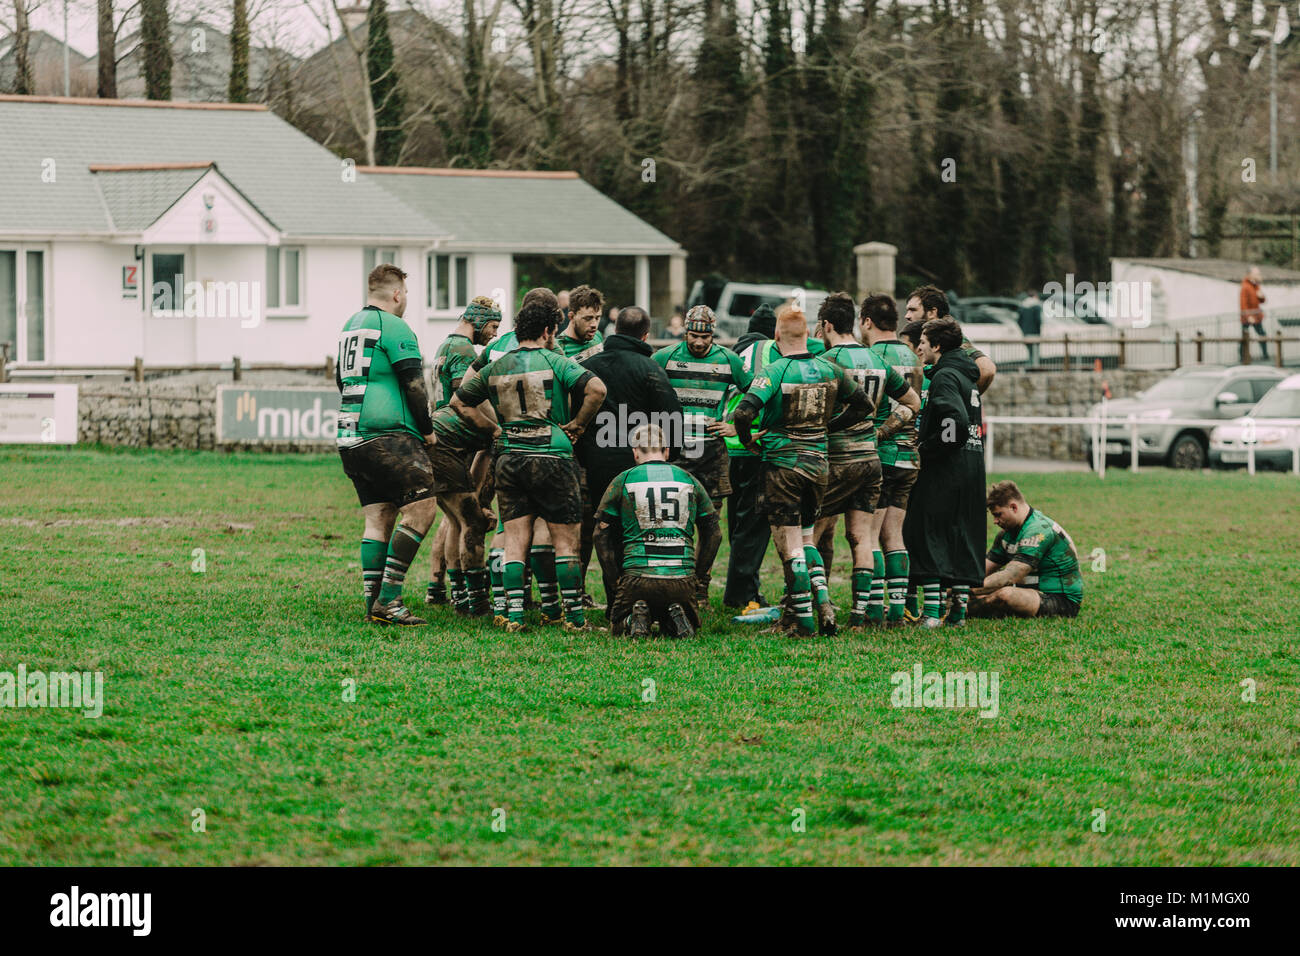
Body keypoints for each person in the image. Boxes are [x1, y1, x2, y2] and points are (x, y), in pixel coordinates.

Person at [452, 300, 607, 633]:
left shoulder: (496, 366)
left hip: (510, 456)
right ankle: (575, 620)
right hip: (552, 455)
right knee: (566, 541)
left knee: (514, 539)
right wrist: (579, 425)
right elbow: (597, 389)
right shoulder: (555, 360)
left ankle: (516, 616)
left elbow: (458, 402)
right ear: (549, 331)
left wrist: (494, 430)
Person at [733, 306, 873, 637]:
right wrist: (828, 425)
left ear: (777, 336)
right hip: (819, 465)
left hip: (784, 465)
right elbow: (864, 406)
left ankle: (801, 620)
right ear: (809, 334)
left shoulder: (775, 370)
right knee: (808, 535)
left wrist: (749, 441)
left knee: (789, 541)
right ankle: (822, 603)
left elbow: (743, 412)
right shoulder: (830, 368)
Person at [335, 263, 438, 627]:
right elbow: (414, 384)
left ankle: (372, 601)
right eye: (405, 293)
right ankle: (390, 599)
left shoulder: (350, 325)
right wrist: (426, 431)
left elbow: (339, 379)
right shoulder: (394, 326)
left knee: (379, 517)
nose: (405, 300)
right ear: (396, 294)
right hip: (386, 434)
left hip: (350, 435)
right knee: (423, 508)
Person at [813, 293, 920, 629]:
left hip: (840, 455)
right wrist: (885, 430)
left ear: (827, 325)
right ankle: (863, 614)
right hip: (878, 458)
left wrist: (881, 432)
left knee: (808, 533)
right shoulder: (889, 359)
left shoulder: (828, 359)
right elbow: (913, 402)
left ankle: (806, 604)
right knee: (865, 535)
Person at [577, 305, 683, 605]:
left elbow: (576, 413)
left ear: (615, 328)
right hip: (641, 462)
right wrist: (668, 457)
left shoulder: (590, 366)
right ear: (646, 334)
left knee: (606, 530)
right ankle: (645, 595)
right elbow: (673, 414)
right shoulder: (649, 369)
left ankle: (616, 599)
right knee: (640, 531)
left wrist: (586, 455)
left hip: (599, 462)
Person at [653, 305, 752, 605]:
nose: (698, 343)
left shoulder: (728, 360)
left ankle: (700, 586)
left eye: (704, 338)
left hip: (712, 451)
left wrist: (734, 421)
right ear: (685, 332)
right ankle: (677, 581)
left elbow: (755, 394)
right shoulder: (664, 357)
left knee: (710, 526)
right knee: (673, 522)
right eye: (693, 336)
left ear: (713, 335)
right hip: (676, 450)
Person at [595, 423, 722, 638]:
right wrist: (698, 579)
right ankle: (672, 619)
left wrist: (614, 578)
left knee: (617, 626)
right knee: (685, 618)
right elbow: (714, 533)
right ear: (666, 451)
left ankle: (631, 620)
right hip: (682, 579)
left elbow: (600, 534)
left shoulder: (623, 479)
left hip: (637, 577)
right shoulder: (689, 479)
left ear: (635, 452)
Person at [906, 316, 986, 627]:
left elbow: (954, 426)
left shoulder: (944, 376)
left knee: (930, 534)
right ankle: (958, 611)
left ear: (937, 345)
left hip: (945, 469)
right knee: (959, 536)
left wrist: (926, 447)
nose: (920, 347)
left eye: (923, 342)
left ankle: (930, 613)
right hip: (971, 466)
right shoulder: (967, 375)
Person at [425, 296, 501, 609]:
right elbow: (465, 400)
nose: (494, 334)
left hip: (444, 439)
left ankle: (451, 590)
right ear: (479, 321)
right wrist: (496, 427)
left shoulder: (445, 345)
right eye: (494, 326)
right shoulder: (463, 349)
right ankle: (475, 599)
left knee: (456, 520)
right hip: (449, 441)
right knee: (472, 520)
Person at [864, 294, 925, 626]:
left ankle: (874, 608)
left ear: (867, 322)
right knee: (895, 534)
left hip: (881, 454)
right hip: (909, 456)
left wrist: (879, 433)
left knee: (870, 533)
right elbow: (917, 402)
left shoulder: (872, 356)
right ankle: (898, 607)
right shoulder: (913, 355)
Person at [722, 303, 779, 611]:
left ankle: (746, 586)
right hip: (755, 442)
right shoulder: (771, 349)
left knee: (737, 523)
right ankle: (741, 593)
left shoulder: (736, 350)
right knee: (754, 525)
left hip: (729, 446)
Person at [972, 480, 1083, 619]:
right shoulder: (1006, 535)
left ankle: (963, 611)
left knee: (1005, 595)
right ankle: (962, 605)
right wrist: (958, 585)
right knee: (987, 590)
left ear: (1014, 507)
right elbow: (982, 570)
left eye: (998, 514)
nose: (995, 521)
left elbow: (1011, 576)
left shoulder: (1038, 530)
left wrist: (965, 591)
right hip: (1030, 592)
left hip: (1060, 600)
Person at [904, 284, 996, 394]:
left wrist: (964, 399)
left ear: (933, 312)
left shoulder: (947, 335)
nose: (907, 316)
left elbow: (987, 370)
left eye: (913, 310)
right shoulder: (920, 335)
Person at [557, 284, 605, 362]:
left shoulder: (597, 335)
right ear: (571, 316)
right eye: (588, 318)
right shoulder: (559, 348)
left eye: (597, 318)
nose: (594, 324)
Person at [1240, 266, 1268, 360]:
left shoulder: (1256, 286)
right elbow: (1243, 303)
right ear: (1250, 274)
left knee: (1262, 334)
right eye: (1257, 273)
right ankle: (1242, 356)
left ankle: (1265, 355)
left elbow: (1262, 301)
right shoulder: (1245, 286)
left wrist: (1261, 296)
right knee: (1245, 336)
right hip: (1248, 317)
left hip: (1256, 316)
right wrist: (1248, 316)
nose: (1259, 275)